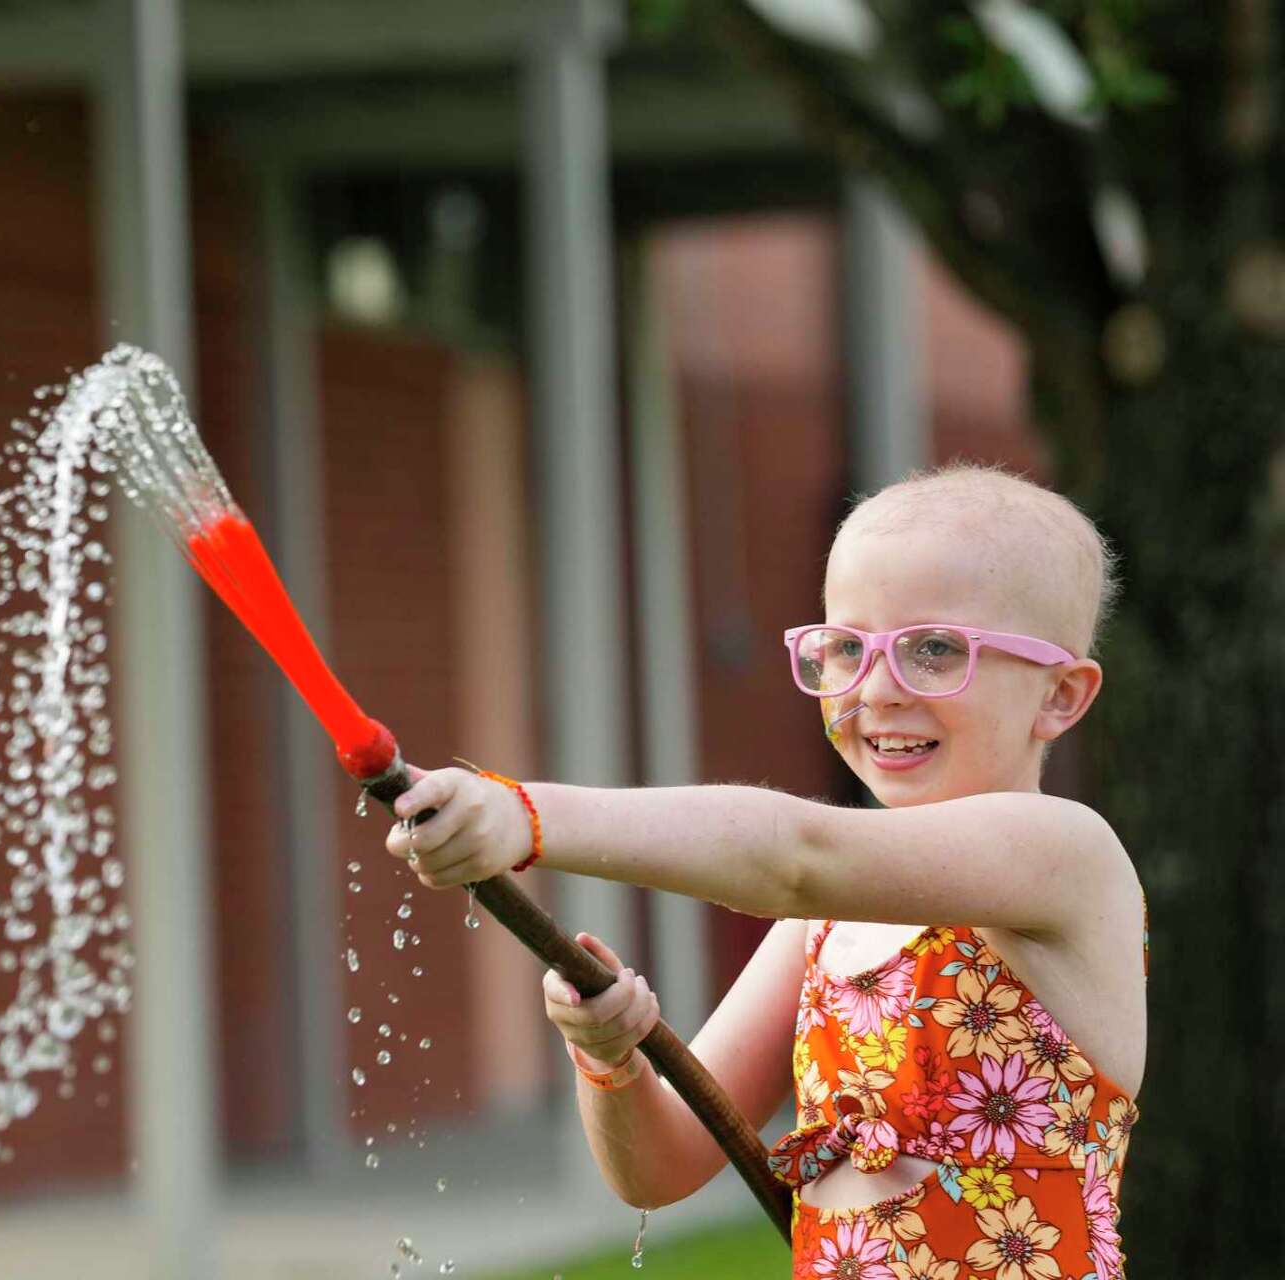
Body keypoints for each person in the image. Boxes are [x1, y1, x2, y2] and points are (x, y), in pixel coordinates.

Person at [384, 464, 1144, 1278]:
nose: (875, 689)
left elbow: (797, 855)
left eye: (933, 651)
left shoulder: (1066, 855)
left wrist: (526, 815)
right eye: (846, 647)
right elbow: (660, 1167)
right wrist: (612, 1061)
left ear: (1060, 695)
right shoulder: (823, 926)